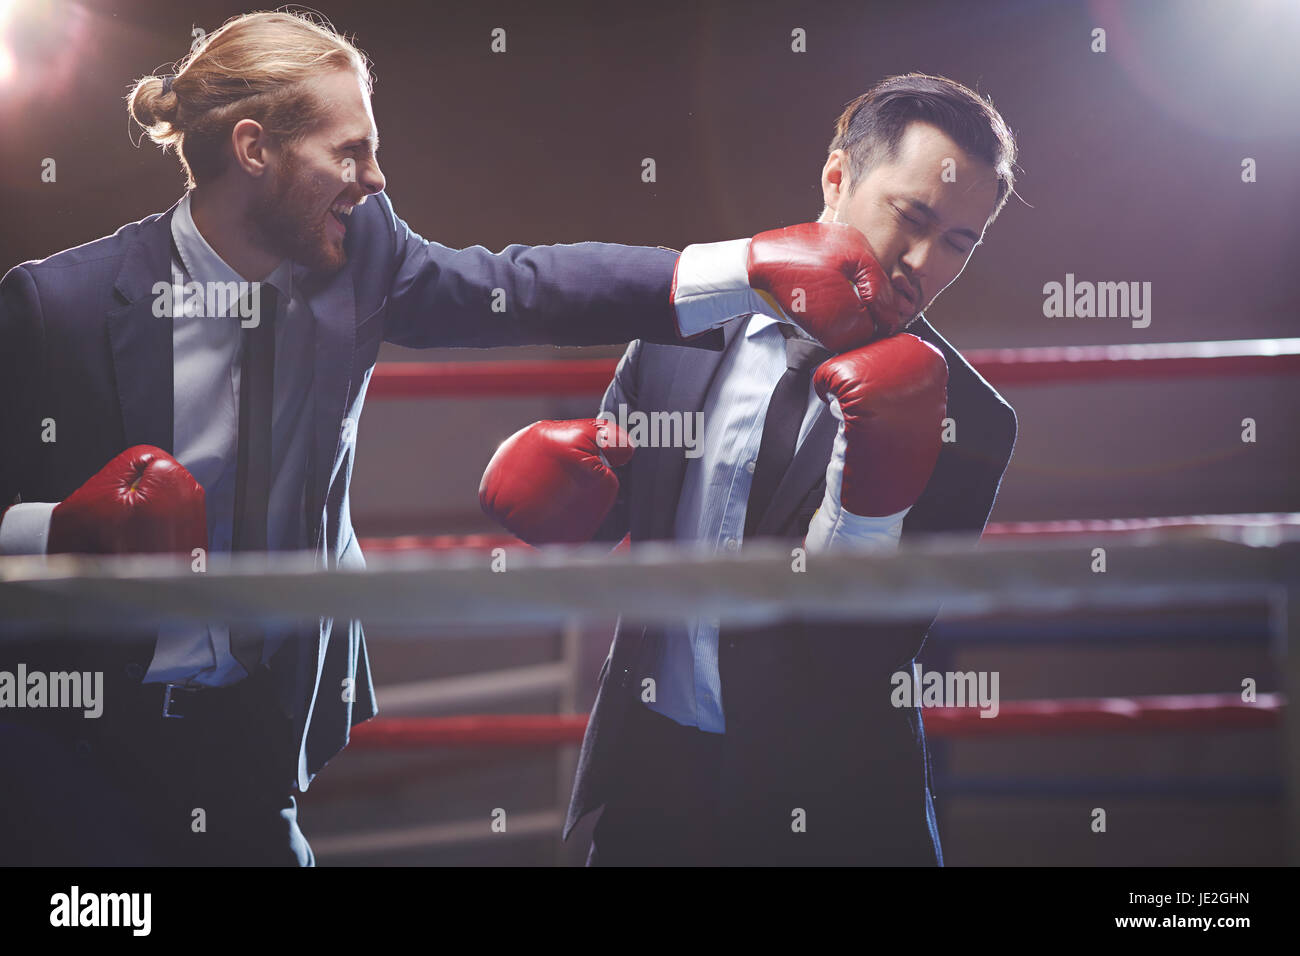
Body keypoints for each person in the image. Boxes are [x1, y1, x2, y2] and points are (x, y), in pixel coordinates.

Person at [0, 10, 885, 866]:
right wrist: (53, 535)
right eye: (350, 151)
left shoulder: (354, 255)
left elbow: (523, 286)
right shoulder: (59, 308)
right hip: (82, 737)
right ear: (254, 149)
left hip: (255, 734)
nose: (376, 178)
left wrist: (747, 266)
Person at [480, 73, 1021, 865]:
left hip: (830, 807)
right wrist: (566, 506)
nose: (921, 260)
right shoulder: (686, 326)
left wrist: (866, 508)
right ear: (838, 178)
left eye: (959, 243)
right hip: (653, 783)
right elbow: (618, 517)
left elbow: (867, 651)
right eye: (912, 216)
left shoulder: (968, 419)